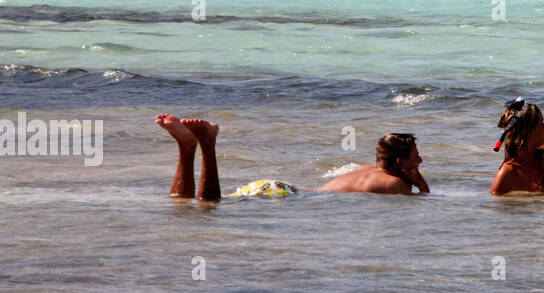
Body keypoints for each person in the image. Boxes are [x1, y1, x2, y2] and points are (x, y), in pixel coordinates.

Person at [155, 114, 428, 200]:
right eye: (416, 158)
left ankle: (187, 147)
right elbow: (424, 199)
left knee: (185, 204)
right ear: (399, 163)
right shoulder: (395, 185)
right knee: (208, 204)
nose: (421, 162)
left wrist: (412, 173)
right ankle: (206, 144)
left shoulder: (369, 170)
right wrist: (419, 182)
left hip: (284, 189)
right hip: (284, 198)